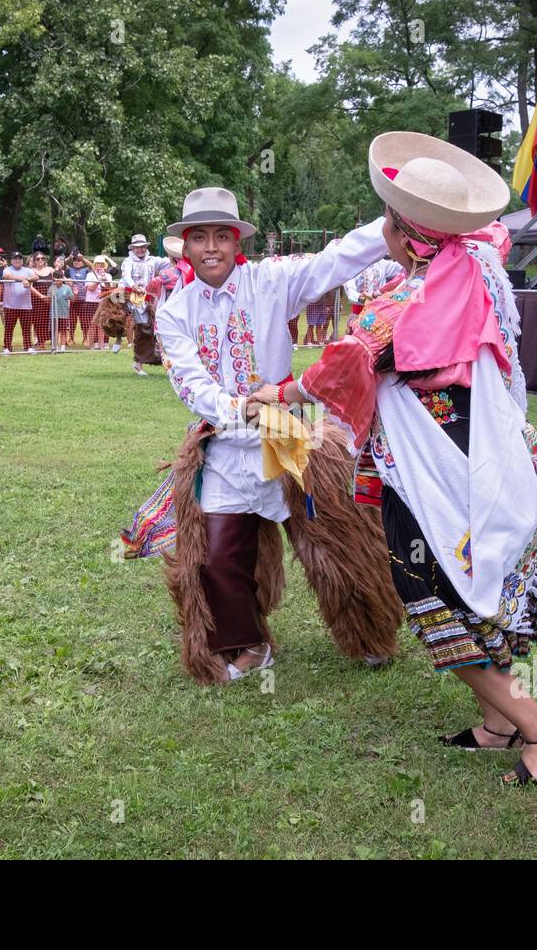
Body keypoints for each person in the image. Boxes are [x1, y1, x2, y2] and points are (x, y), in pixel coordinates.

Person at [249, 133, 537, 785]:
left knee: (436, 609)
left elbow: (339, 370)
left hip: (443, 481)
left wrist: (273, 393)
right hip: (479, 459)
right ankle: (499, 723)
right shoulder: (467, 270)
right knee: (467, 603)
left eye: (388, 223)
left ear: (403, 232)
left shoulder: (410, 303)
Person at [154, 186, 403, 683]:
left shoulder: (271, 281)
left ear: (234, 241)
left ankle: (370, 632)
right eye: (198, 237)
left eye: (219, 236)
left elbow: (338, 258)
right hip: (222, 447)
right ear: (186, 244)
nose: (210, 247)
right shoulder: (173, 311)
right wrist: (241, 405)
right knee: (219, 554)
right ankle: (248, 643)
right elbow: (190, 381)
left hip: (288, 441)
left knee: (331, 547)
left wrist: (402, 221)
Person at [119, 233, 170, 374]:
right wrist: (133, 286)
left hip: (149, 300)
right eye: (137, 247)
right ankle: (122, 343)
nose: (140, 250)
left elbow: (170, 260)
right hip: (133, 298)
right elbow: (126, 276)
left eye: (142, 247)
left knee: (153, 328)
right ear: (133, 248)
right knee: (141, 328)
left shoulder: (153, 261)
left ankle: (151, 358)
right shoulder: (128, 262)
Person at [0, 251, 37, 353]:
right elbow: (8, 276)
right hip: (10, 305)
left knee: (26, 328)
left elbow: (36, 277)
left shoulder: (27, 270)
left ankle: (28, 347)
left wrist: (28, 279)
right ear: (11, 261)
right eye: (15, 259)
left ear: (22, 260)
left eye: (19, 259)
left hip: (25, 305)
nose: (17, 260)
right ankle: (7, 347)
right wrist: (23, 280)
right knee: (9, 328)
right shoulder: (7, 269)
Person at [28, 251, 55, 352]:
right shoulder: (31, 271)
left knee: (51, 320)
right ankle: (40, 343)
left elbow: (58, 280)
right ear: (34, 261)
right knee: (38, 321)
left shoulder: (50, 269)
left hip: (50, 298)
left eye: (42, 258)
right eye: (38, 259)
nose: (40, 260)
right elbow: (30, 286)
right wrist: (40, 296)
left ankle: (54, 343)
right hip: (36, 299)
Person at [66, 250, 92, 347]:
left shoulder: (85, 270)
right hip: (73, 299)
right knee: (72, 320)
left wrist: (83, 258)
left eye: (78, 260)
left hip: (83, 299)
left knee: (85, 320)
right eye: (75, 260)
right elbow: (61, 265)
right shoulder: (70, 270)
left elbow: (93, 266)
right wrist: (69, 257)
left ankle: (85, 338)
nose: (77, 262)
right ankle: (71, 338)